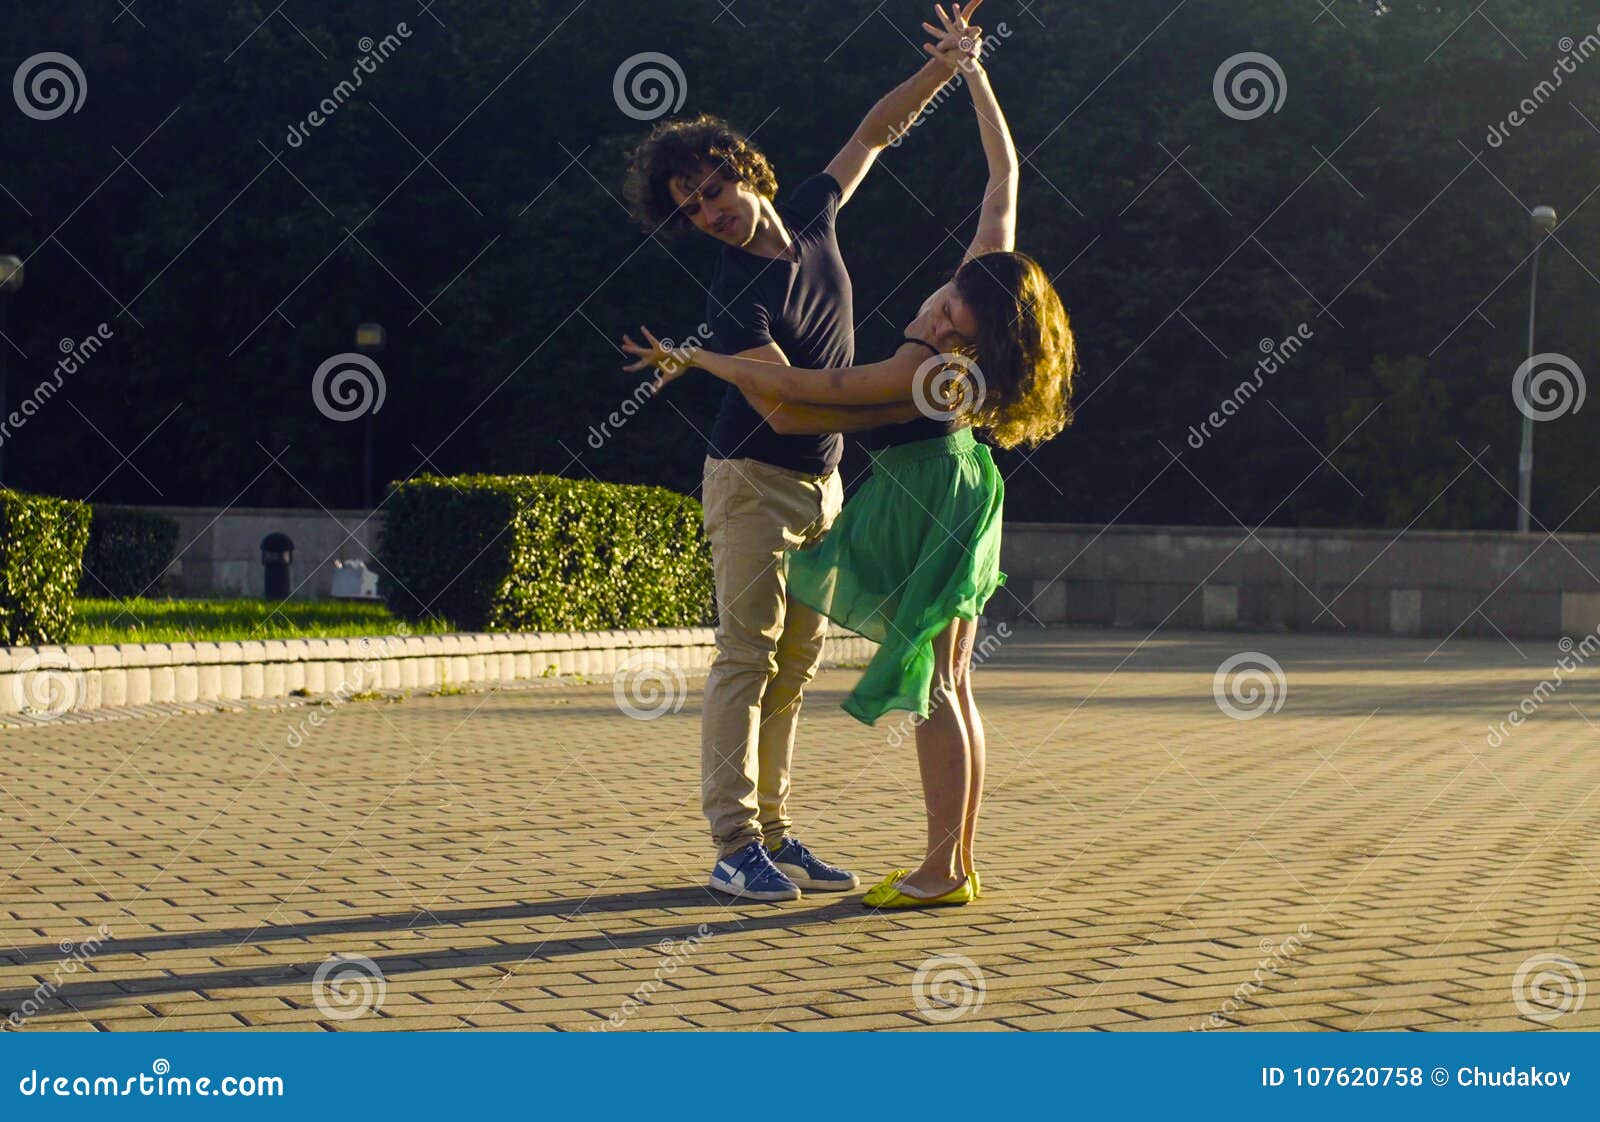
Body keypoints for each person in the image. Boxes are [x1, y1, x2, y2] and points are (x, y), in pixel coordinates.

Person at [623, 2, 1077, 909]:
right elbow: (788, 405)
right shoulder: (736, 297)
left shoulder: (815, 217)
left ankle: (784, 837)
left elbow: (878, 131)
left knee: (798, 669)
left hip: (824, 479)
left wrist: (950, 72)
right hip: (755, 476)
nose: (706, 213)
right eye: (689, 209)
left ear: (743, 172)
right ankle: (734, 843)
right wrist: (708, 352)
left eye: (711, 190)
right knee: (748, 659)